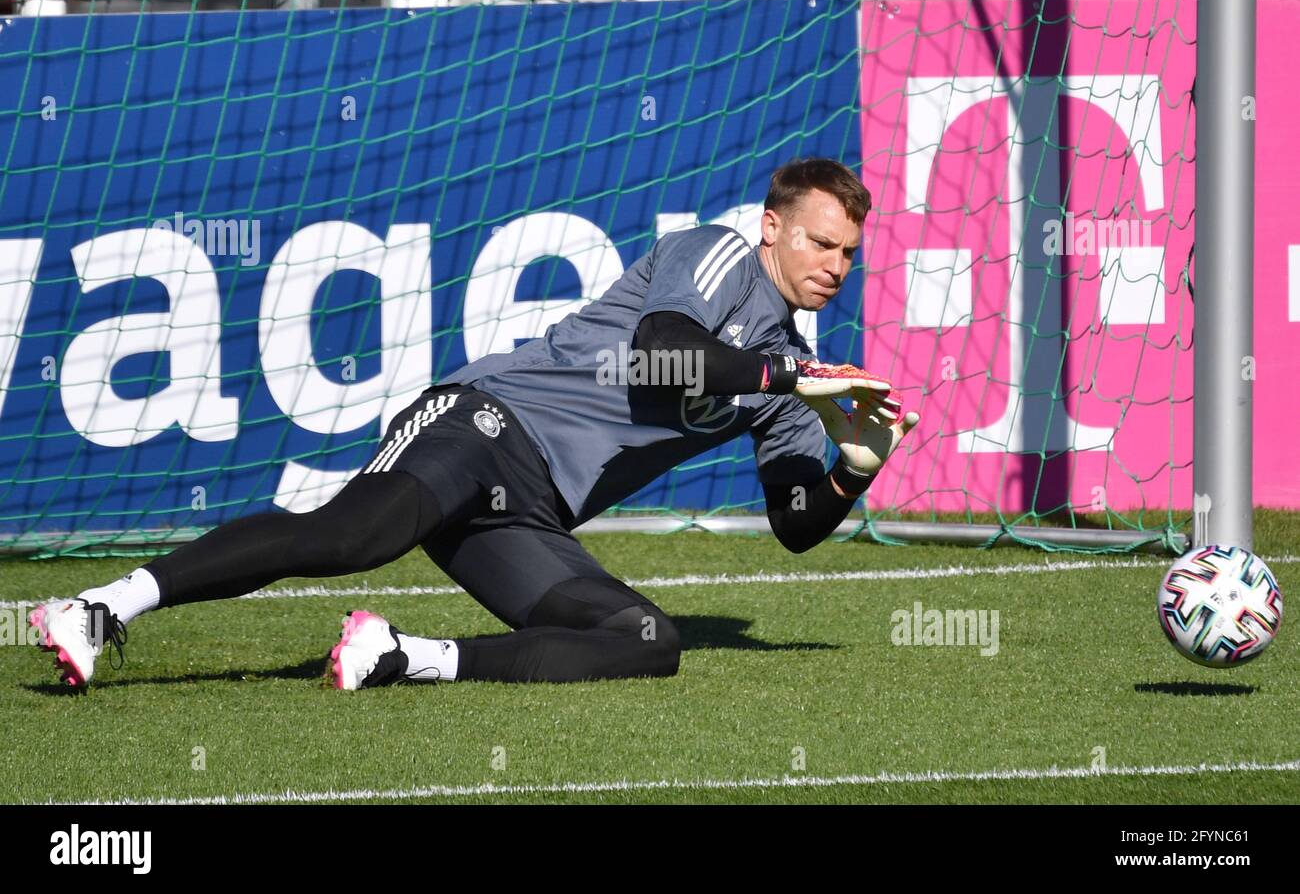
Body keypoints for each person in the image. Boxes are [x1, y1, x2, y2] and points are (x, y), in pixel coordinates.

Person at [29, 157, 919, 690]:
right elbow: (660, 348)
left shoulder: (797, 367)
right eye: (820, 242)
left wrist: (853, 467)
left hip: (531, 508)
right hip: (491, 420)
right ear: (773, 227)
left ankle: (399, 656)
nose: (835, 264)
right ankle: (104, 607)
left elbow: (795, 524)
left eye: (849, 252)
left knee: (651, 645)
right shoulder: (724, 257)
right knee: (355, 536)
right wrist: (794, 376)